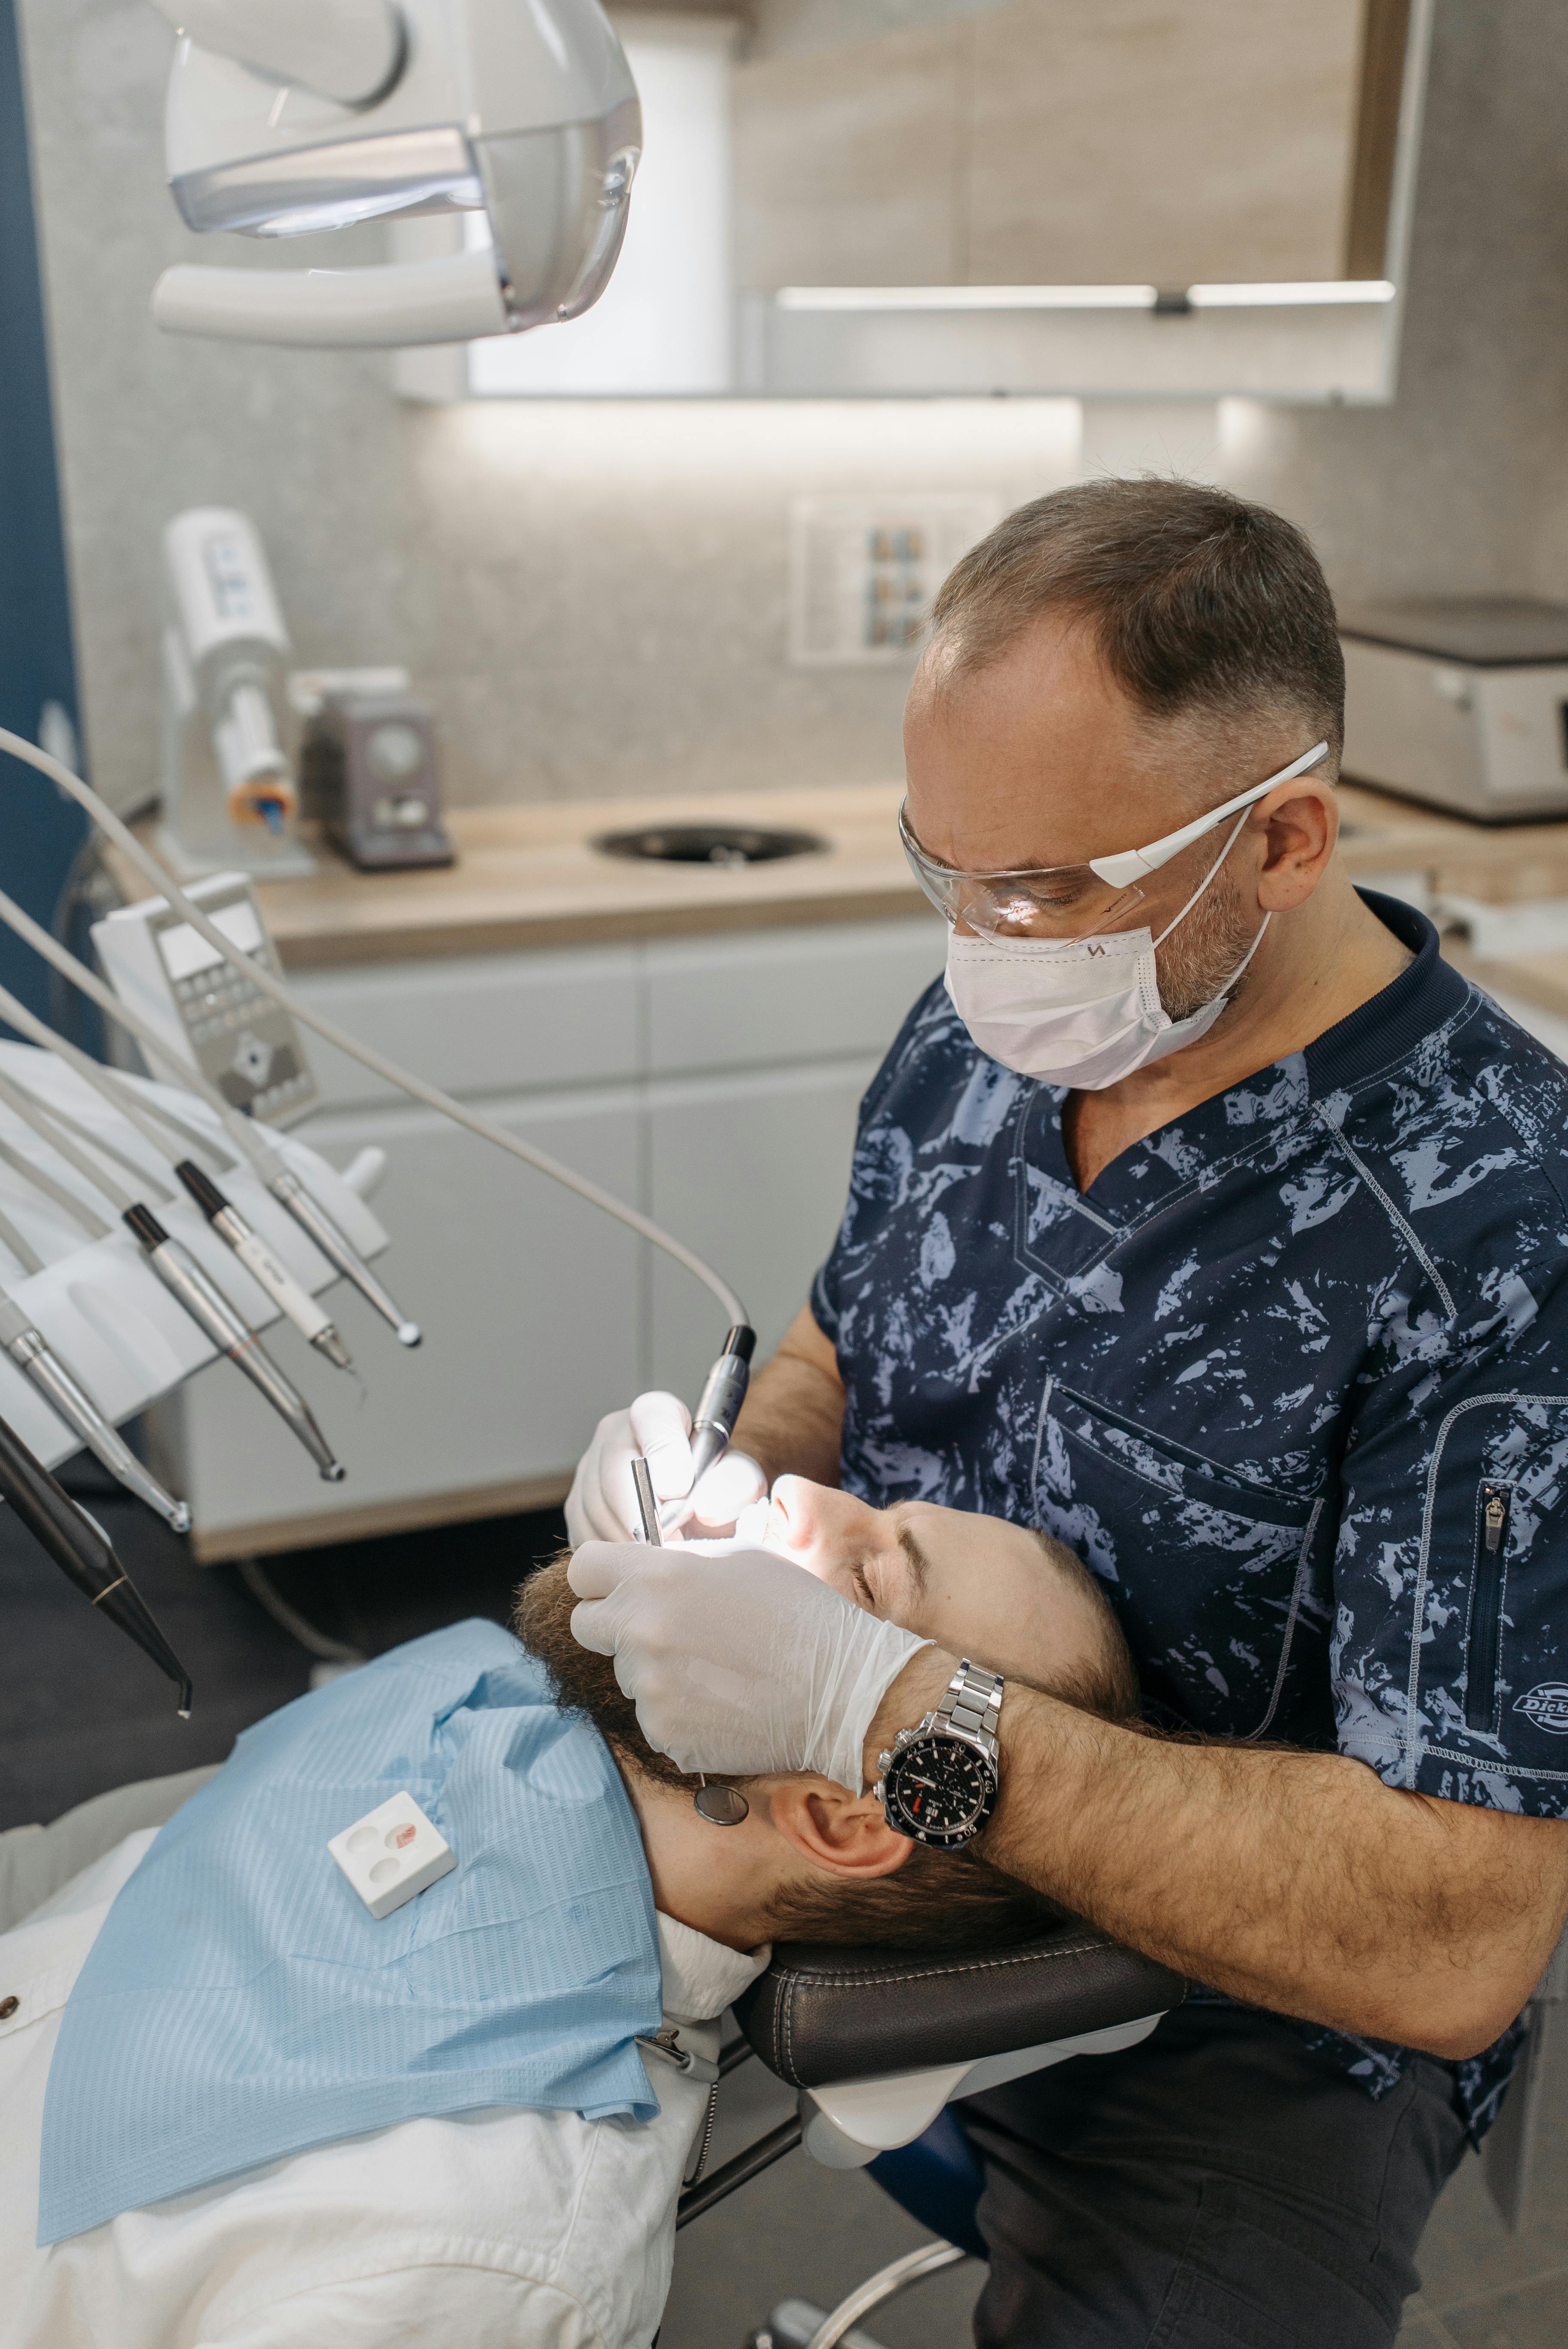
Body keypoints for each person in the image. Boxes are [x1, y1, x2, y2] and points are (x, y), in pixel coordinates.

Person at [567, 479, 1568, 2348]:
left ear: (1279, 837)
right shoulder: (997, 1027)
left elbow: (1452, 1936)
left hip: (1244, 2020)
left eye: (1039, 886)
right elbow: (848, 1333)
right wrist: (722, 1474)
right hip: (842, 1833)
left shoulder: (1497, 1235)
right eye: (943, 866)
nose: (983, 935)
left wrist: (879, 1707)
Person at [0, 1493, 1122, 2349]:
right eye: (861, 1497)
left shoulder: (492, 2248)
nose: (797, 1492)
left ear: (836, 1816)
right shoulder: (480, 1704)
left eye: (870, 1576)